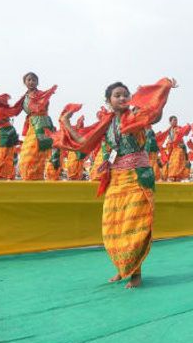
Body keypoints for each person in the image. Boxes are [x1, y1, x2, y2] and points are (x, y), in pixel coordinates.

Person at [56, 78, 175, 289]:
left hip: (138, 178)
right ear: (109, 101)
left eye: (125, 94)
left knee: (134, 225)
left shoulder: (137, 115)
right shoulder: (106, 123)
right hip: (116, 179)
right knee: (113, 226)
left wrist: (164, 89)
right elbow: (83, 142)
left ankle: (135, 272)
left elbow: (155, 114)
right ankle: (122, 268)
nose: (122, 98)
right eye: (117, 95)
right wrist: (65, 122)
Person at [14, 72, 57, 180]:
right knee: (26, 153)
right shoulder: (24, 98)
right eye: (29, 80)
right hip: (31, 125)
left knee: (37, 152)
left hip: (41, 124)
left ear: (37, 82)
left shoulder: (42, 94)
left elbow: (45, 105)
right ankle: (32, 177)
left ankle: (35, 177)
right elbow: (14, 111)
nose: (31, 82)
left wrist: (38, 103)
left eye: (34, 80)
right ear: (24, 82)